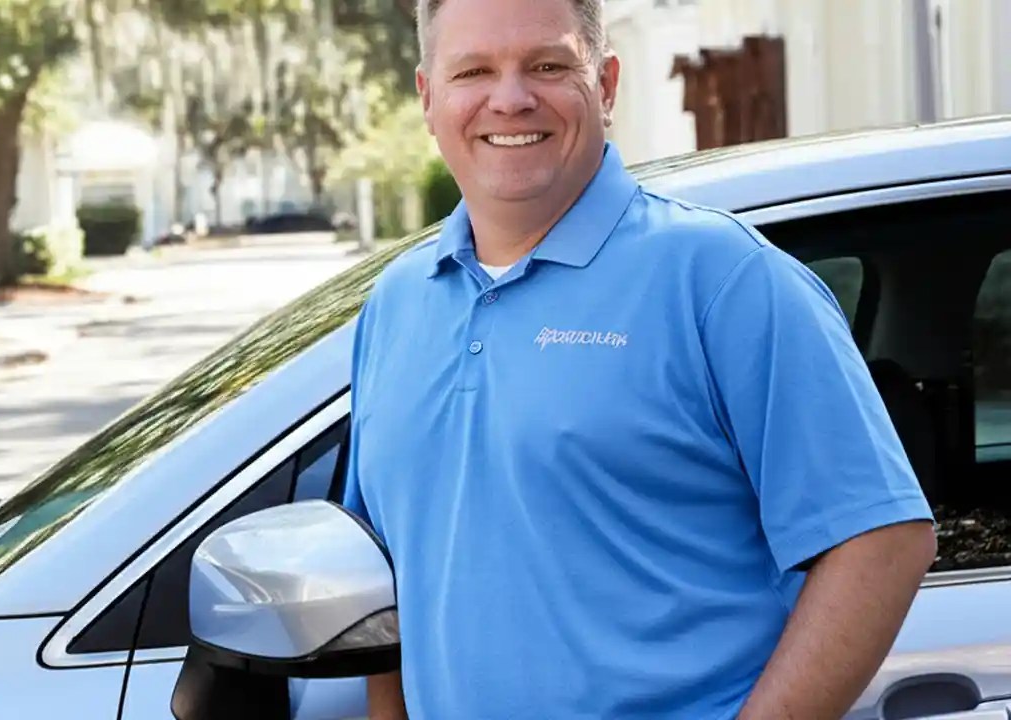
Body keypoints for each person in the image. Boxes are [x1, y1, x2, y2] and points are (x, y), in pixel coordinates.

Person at [339, 0, 938, 717]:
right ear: (428, 97)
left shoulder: (722, 280)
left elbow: (883, 540)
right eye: (473, 70)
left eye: (548, 65)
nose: (510, 98)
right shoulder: (398, 303)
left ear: (608, 84)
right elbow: (382, 575)